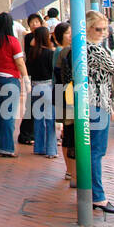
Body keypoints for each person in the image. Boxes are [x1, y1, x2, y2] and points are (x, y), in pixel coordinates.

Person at [84, 10, 114, 214]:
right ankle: (98, 197)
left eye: (104, 29)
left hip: (94, 102)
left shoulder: (86, 48)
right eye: (97, 29)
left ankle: (95, 194)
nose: (102, 33)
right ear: (89, 28)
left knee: (94, 151)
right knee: (97, 151)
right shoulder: (95, 50)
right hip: (97, 103)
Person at [0, 12, 28, 156]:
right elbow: (20, 63)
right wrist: (26, 78)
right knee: (8, 114)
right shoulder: (12, 41)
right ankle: (7, 147)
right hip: (9, 79)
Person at [27, 26, 57, 157]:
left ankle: (39, 148)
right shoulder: (51, 54)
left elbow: (28, 71)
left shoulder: (31, 53)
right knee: (50, 120)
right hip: (48, 86)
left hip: (35, 87)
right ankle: (51, 150)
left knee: (38, 119)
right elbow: (54, 71)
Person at [52, 22, 74, 182]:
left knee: (67, 132)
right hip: (67, 96)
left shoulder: (58, 51)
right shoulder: (63, 51)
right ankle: (71, 171)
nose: (71, 36)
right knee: (69, 133)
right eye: (68, 33)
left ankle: (70, 170)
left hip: (62, 95)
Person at [18, 13, 42, 144]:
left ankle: (33, 133)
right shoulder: (29, 38)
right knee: (32, 106)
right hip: (32, 74)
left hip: (40, 76)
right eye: (32, 22)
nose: (34, 24)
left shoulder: (44, 36)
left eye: (36, 22)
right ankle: (26, 134)